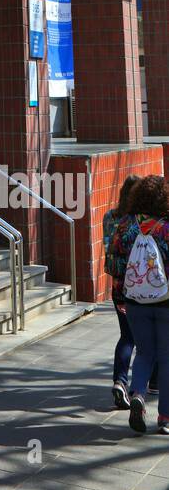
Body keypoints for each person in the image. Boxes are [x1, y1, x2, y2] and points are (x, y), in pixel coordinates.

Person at [106, 174, 169, 435]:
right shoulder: (166, 227)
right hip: (166, 302)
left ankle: (138, 396)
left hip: (134, 301)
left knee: (143, 353)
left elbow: (114, 264)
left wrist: (120, 298)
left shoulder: (125, 226)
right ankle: (165, 418)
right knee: (166, 358)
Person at [102, 175, 143, 409]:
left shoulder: (110, 216)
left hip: (118, 286)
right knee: (148, 338)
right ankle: (150, 382)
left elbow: (108, 246)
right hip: (140, 287)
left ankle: (119, 381)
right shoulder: (140, 221)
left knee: (126, 335)